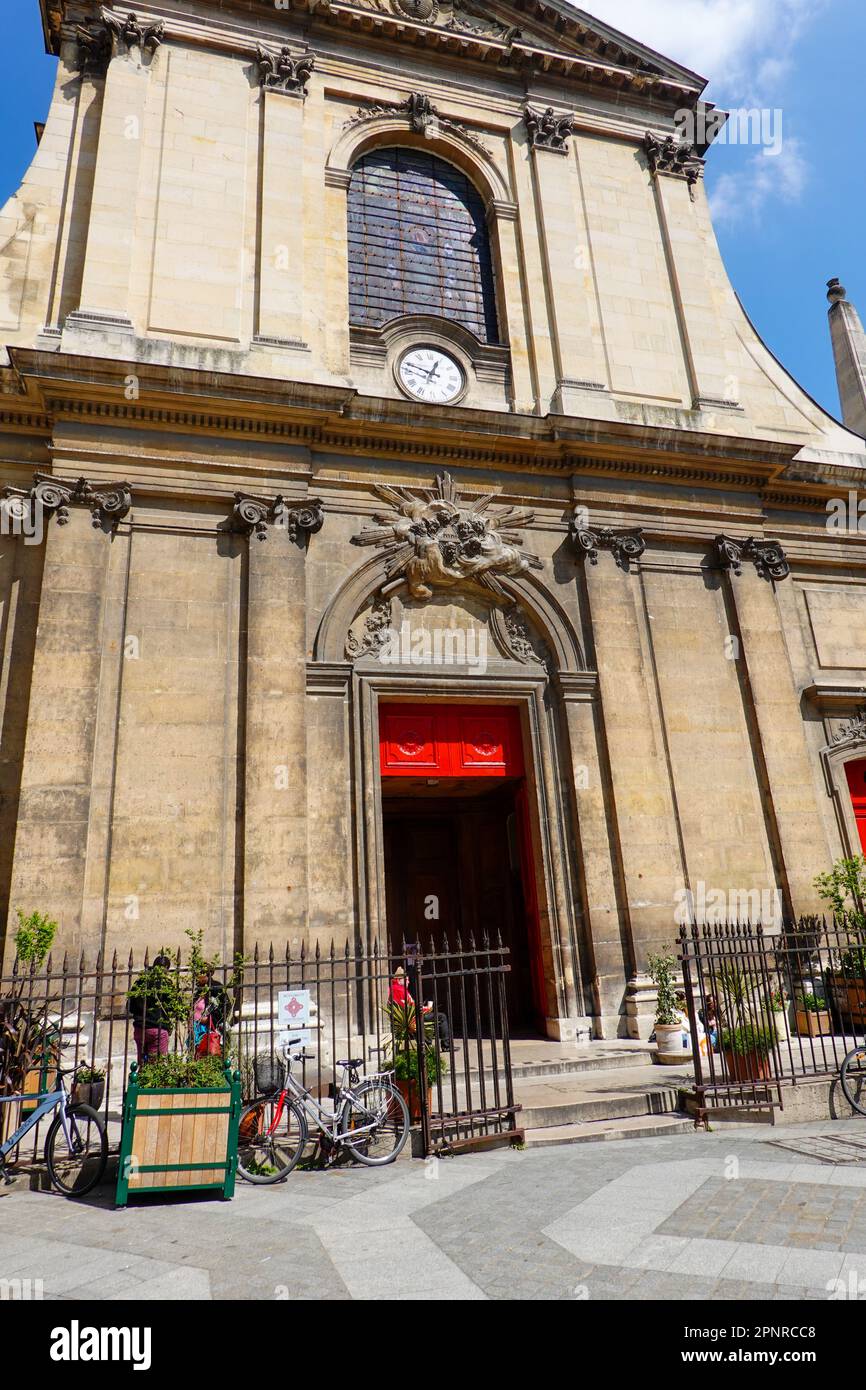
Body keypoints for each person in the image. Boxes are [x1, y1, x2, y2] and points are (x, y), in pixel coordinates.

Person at [389, 967, 452, 1052]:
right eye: (406, 979)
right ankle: (446, 1046)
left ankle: (428, 1044)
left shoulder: (393, 988)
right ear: (399, 979)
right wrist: (427, 1008)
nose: (409, 981)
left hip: (409, 1016)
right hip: (412, 1018)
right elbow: (411, 1008)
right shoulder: (400, 990)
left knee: (432, 1018)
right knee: (442, 1017)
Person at [128, 954, 174, 1063]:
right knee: (157, 1066)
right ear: (166, 969)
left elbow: (130, 1007)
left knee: (142, 1063)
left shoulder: (139, 983)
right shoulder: (165, 984)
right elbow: (173, 1007)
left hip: (140, 1028)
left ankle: (140, 1078)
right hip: (156, 1029)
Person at [192, 972, 231, 1058]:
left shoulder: (216, 987)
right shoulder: (198, 991)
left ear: (207, 974)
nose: (197, 976)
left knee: (212, 1054)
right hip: (198, 1030)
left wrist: (210, 1019)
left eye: (199, 973)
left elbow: (226, 1006)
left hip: (212, 1029)